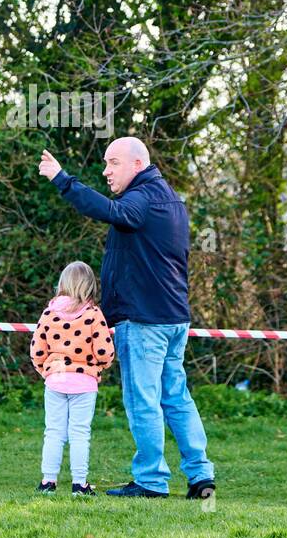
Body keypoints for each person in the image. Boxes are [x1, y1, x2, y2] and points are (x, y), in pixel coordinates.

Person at [38, 138, 216, 499]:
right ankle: (200, 477)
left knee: (143, 401)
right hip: (174, 318)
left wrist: (62, 179)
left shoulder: (141, 198)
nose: (106, 171)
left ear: (137, 164)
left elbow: (114, 212)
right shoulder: (172, 199)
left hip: (144, 322)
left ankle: (151, 481)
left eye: (113, 163)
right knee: (176, 398)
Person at [30, 260, 114, 496]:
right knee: (79, 433)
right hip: (84, 384)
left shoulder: (49, 313)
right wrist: (100, 367)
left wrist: (45, 370)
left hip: (55, 381)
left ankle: (48, 482)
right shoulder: (93, 314)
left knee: (54, 431)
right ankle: (79, 484)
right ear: (89, 286)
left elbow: (37, 350)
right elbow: (104, 351)